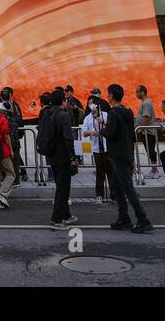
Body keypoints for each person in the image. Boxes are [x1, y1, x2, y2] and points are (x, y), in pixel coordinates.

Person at [106, 84, 154, 232]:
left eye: (108, 94)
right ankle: (124, 217)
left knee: (127, 188)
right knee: (117, 185)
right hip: (126, 153)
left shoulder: (113, 113)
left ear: (112, 96)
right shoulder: (127, 112)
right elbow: (129, 135)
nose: (108, 96)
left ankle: (143, 220)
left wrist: (100, 131)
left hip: (118, 155)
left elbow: (112, 133)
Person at [40, 89, 76, 229]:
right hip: (63, 156)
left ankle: (66, 215)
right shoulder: (63, 115)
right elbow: (68, 138)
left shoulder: (48, 113)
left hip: (52, 154)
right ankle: (56, 219)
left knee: (61, 185)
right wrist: (73, 157)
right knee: (63, 189)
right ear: (63, 101)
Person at [83, 95, 112, 204]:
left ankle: (113, 194)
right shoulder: (87, 118)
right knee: (100, 172)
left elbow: (110, 128)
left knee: (111, 171)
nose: (90, 106)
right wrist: (90, 132)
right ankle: (99, 195)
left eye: (92, 103)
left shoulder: (105, 115)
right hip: (96, 148)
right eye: (89, 104)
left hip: (107, 147)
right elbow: (84, 132)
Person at [134, 85, 160, 178]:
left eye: (137, 91)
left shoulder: (147, 103)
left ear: (142, 92)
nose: (136, 93)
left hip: (148, 131)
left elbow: (146, 118)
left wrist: (141, 129)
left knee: (151, 151)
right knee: (150, 151)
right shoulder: (145, 102)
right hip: (145, 131)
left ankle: (154, 171)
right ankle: (154, 170)